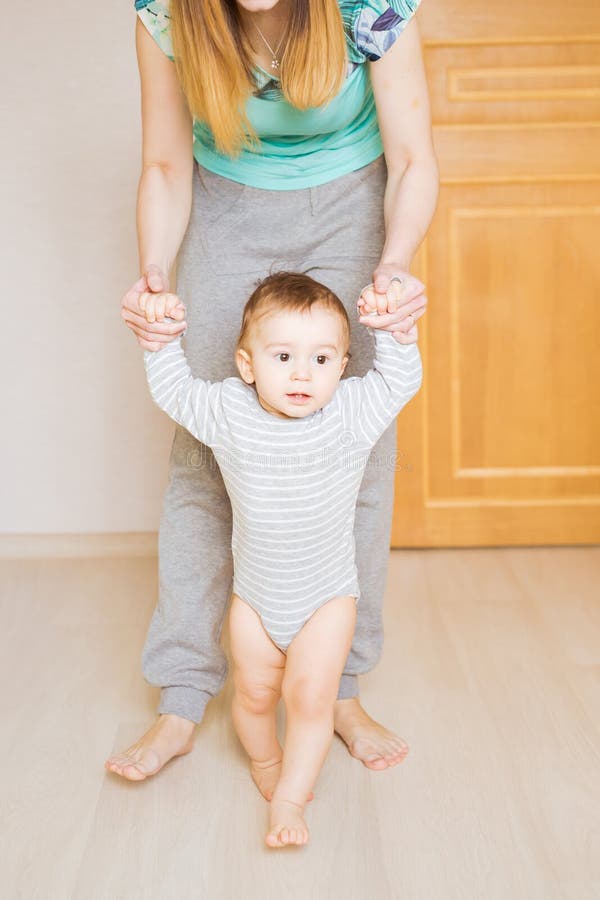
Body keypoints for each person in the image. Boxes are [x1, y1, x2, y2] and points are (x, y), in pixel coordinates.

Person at [105, 0, 438, 782]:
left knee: (355, 446)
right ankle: (183, 696)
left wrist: (393, 265)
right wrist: (155, 277)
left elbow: (414, 157)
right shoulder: (165, 17)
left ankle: (342, 687)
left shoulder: (371, 8)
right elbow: (164, 164)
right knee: (206, 453)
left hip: (354, 205)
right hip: (226, 208)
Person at [142, 271, 423, 846]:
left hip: (326, 599)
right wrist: (160, 337)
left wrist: (395, 331)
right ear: (248, 366)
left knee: (310, 701)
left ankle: (291, 801)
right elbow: (173, 389)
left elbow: (400, 382)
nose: (303, 373)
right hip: (255, 602)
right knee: (252, 699)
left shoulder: (351, 412)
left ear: (343, 366)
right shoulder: (229, 410)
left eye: (322, 358)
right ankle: (267, 762)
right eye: (284, 356)